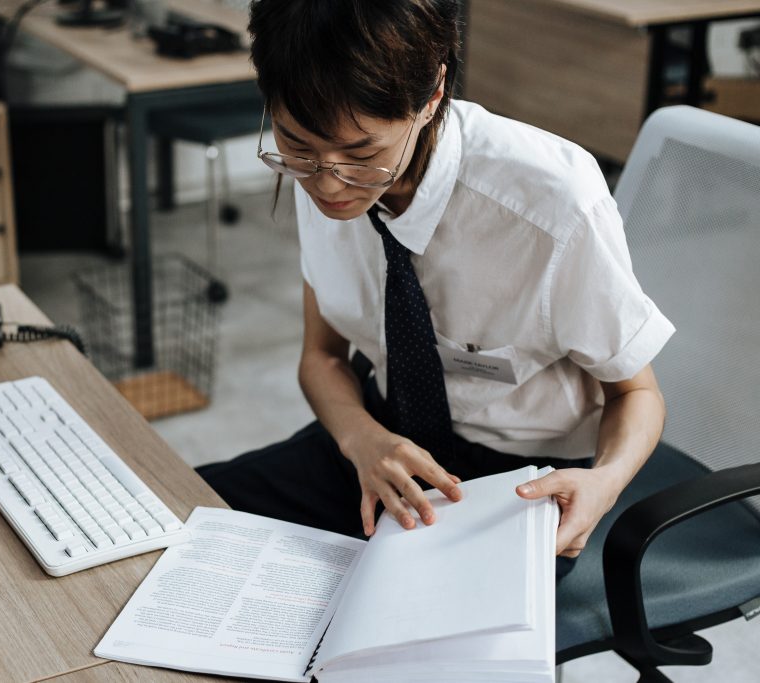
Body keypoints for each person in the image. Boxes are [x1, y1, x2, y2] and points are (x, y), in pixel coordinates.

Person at [196, 0, 674, 578]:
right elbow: (322, 357)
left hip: (515, 484)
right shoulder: (324, 162)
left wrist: (604, 481)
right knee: (179, 518)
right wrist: (362, 439)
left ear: (432, 96)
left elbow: (637, 395)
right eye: (296, 145)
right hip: (378, 442)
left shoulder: (552, 205)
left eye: (361, 154)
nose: (326, 184)